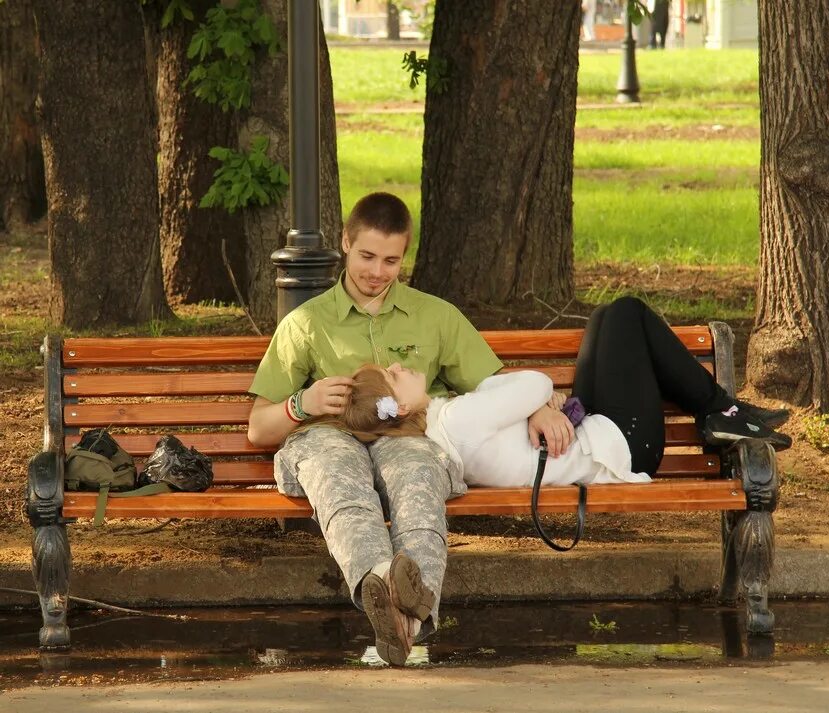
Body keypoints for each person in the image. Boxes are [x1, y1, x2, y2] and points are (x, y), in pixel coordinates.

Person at [245, 192, 571, 666]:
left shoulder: (435, 315)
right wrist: (303, 402)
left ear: (405, 256)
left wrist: (537, 406)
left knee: (418, 481)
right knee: (340, 481)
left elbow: (495, 384)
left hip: (408, 437)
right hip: (326, 436)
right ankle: (388, 589)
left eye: (391, 260)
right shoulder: (306, 323)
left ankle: (404, 621)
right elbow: (258, 427)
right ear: (345, 243)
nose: (377, 271)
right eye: (366, 256)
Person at [312, 297, 791, 492]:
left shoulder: (443, 428)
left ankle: (720, 410)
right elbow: (536, 383)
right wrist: (537, 405)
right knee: (625, 313)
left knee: (604, 317)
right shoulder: (456, 423)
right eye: (392, 374)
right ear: (401, 406)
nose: (399, 365)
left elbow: (505, 393)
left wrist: (531, 413)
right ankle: (720, 409)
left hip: (597, 431)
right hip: (626, 447)